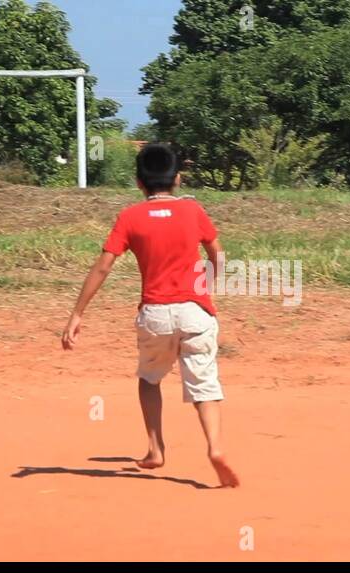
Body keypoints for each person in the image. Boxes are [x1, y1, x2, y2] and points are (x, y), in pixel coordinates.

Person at [62, 143, 239, 488]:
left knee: (149, 379)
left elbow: (103, 266)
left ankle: (156, 448)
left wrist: (77, 313)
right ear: (177, 179)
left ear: (139, 182)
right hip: (195, 312)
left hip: (156, 313)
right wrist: (207, 285)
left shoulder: (130, 217)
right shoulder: (193, 211)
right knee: (204, 386)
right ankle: (216, 448)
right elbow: (218, 254)